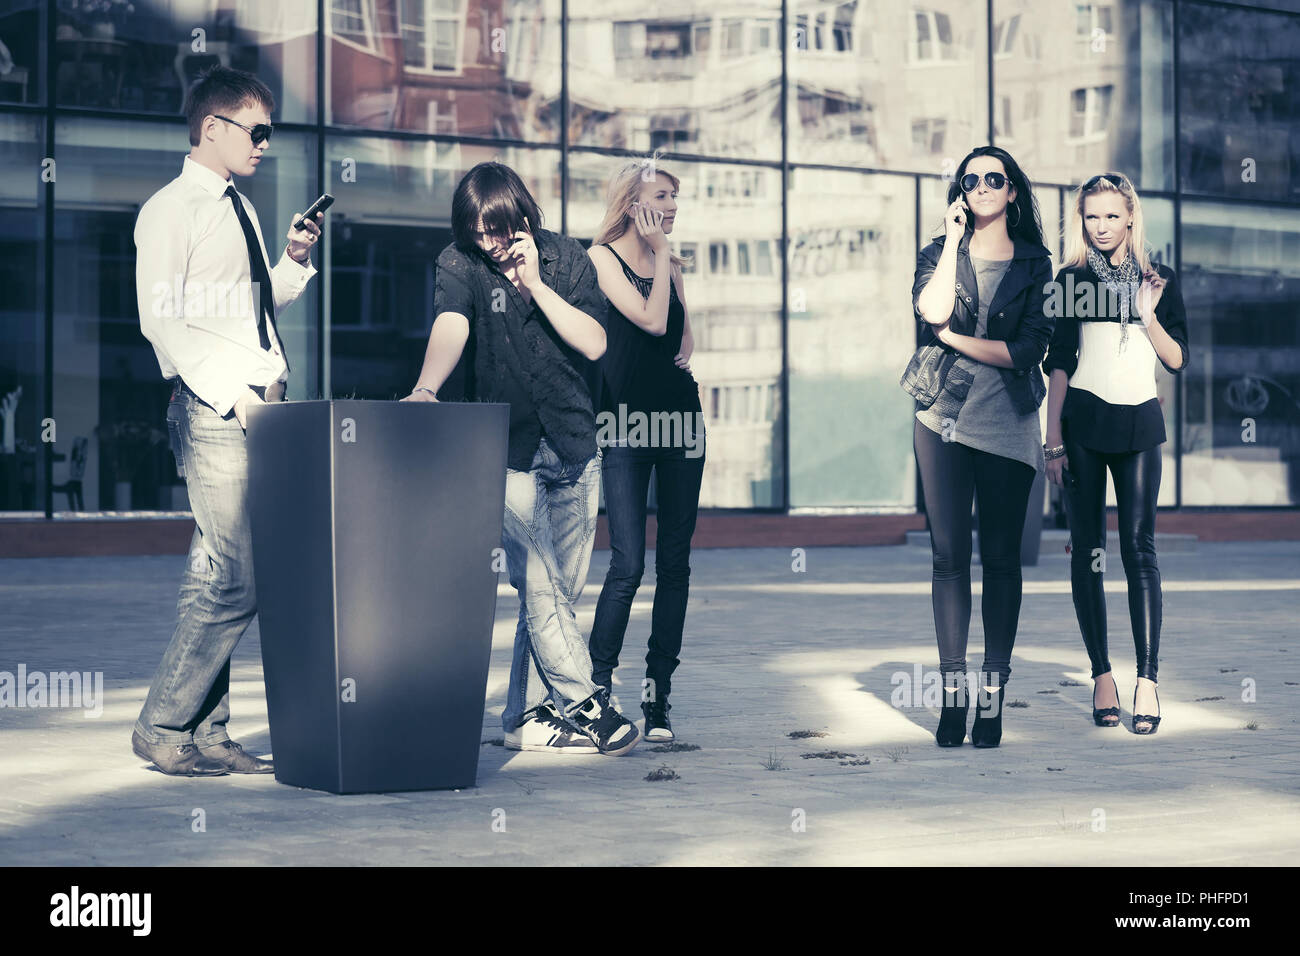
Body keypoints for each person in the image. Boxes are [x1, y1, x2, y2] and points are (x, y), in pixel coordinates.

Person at [403, 162, 640, 756]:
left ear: (522, 216)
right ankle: (588, 703)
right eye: (478, 232)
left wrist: (535, 285)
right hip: (503, 452)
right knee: (537, 583)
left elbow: (595, 341)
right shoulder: (459, 262)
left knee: (557, 594)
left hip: (574, 446)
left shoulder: (566, 259)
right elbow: (450, 323)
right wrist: (428, 387)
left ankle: (521, 718)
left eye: (498, 231)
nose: (488, 243)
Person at [132, 66, 324, 776]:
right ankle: (161, 724)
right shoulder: (169, 210)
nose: (266, 144)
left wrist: (294, 262)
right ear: (211, 128)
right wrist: (232, 395)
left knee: (212, 574)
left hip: (256, 410)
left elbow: (250, 309)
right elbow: (161, 320)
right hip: (218, 413)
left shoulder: (238, 207)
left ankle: (205, 733)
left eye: (270, 132)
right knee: (240, 579)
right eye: (257, 130)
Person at [908, 146, 1054, 748]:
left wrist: (954, 341)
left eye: (996, 178)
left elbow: (1027, 351)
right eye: (972, 180)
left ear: (1013, 191)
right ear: (961, 192)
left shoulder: (1036, 264)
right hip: (941, 416)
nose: (984, 186)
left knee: (1000, 561)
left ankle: (991, 699)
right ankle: (953, 693)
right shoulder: (937, 254)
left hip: (1009, 420)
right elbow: (931, 308)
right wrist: (950, 240)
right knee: (948, 558)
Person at [1043, 172, 1188, 735]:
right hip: (1081, 422)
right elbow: (1058, 361)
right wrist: (1052, 438)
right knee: (1088, 552)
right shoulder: (1070, 279)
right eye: (1091, 217)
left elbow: (1176, 359)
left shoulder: (1160, 279)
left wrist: (1146, 314)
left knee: (1139, 549)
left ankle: (1146, 680)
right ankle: (1102, 674)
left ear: (1130, 218)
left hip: (1140, 422)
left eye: (1110, 216)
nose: (1100, 226)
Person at [585, 157, 705, 742]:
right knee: (628, 563)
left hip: (681, 422)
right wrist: (660, 258)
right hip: (627, 426)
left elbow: (682, 333)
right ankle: (596, 693)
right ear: (632, 203)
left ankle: (658, 701)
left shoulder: (671, 262)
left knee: (675, 563)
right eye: (664, 196)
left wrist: (686, 349)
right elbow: (652, 322)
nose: (674, 207)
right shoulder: (601, 260)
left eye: (677, 198)